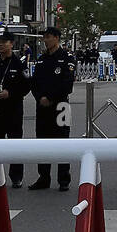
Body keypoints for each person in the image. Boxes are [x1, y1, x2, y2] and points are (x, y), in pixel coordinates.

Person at [29, 27, 75, 191]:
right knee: (42, 141)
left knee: (63, 141)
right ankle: (44, 177)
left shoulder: (66, 58)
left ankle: (64, 179)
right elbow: (34, 83)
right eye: (44, 38)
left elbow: (67, 84)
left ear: (56, 38)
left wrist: (51, 98)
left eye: (48, 37)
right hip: (42, 106)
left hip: (61, 105)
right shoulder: (42, 59)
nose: (45, 40)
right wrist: (40, 97)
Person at [0, 31, 30, 188]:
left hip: (13, 109)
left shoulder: (18, 64)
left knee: (15, 144)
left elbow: (26, 86)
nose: (1, 44)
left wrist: (10, 93)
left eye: (4, 41)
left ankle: (16, 176)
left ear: (12, 43)